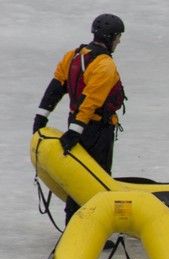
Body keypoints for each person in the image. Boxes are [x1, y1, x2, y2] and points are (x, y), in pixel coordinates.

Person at [32, 14, 126, 223]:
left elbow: (56, 88)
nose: (119, 41)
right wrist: (76, 131)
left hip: (77, 124)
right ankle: (91, 227)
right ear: (110, 37)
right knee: (97, 178)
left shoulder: (73, 56)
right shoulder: (105, 65)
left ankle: (73, 222)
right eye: (118, 37)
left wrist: (41, 117)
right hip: (97, 130)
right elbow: (91, 101)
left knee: (77, 178)